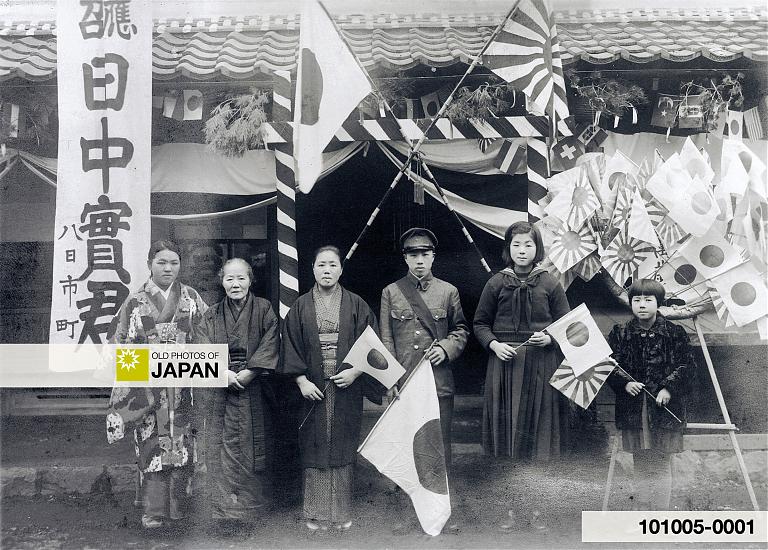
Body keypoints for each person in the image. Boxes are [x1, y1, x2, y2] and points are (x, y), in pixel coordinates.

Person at [279, 245, 384, 531]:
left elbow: (373, 345)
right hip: (312, 387)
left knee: (341, 445)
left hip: (345, 387)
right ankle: (314, 513)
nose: (327, 271)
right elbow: (289, 345)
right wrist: (300, 380)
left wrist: (357, 372)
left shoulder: (357, 304)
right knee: (314, 447)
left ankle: (340, 513)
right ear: (313, 269)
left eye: (332, 265)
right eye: (321, 265)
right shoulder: (301, 306)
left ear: (341, 269)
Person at [105, 240, 208, 529]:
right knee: (152, 448)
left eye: (174, 262)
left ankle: (178, 510)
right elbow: (117, 343)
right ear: (150, 263)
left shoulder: (191, 297)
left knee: (184, 447)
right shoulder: (135, 301)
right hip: (148, 390)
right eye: (162, 262)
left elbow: (208, 336)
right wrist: (140, 376)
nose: (168, 268)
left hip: (184, 386)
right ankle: (153, 512)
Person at [473, 222, 571, 460]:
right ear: (508, 248)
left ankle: (539, 476)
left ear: (537, 249)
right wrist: (495, 345)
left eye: (528, 244)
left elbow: (567, 325)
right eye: (516, 244)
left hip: (541, 361)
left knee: (540, 419)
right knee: (506, 419)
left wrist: (549, 339)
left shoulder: (550, 283)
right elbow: (480, 323)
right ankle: (505, 472)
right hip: (505, 361)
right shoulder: (496, 282)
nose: (522, 250)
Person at [379, 227, 468, 470]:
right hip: (405, 379)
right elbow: (387, 339)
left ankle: (438, 497)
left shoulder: (449, 292)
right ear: (405, 257)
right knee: (406, 441)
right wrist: (391, 380)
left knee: (438, 441)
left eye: (425, 254)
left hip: (437, 381)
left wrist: (446, 349)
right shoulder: (390, 292)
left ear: (433, 256)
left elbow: (461, 330)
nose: (419, 260)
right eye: (413, 255)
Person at [199, 258, 279, 521]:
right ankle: (225, 510)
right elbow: (202, 347)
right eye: (229, 279)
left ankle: (251, 508)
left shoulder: (264, 309)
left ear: (250, 279)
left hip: (254, 389)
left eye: (241, 278)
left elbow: (271, 342)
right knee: (222, 446)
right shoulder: (211, 314)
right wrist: (223, 372)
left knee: (252, 444)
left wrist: (250, 371)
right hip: (222, 389)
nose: (236, 284)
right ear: (222, 281)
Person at [606, 278, 694, 510]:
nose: (642, 305)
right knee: (641, 460)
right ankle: (642, 510)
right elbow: (609, 365)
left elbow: (687, 366)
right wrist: (624, 384)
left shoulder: (675, 333)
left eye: (648, 299)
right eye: (637, 300)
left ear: (659, 303)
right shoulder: (620, 333)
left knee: (662, 460)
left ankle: (661, 513)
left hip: (664, 408)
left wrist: (668, 387)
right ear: (630, 303)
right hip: (634, 408)